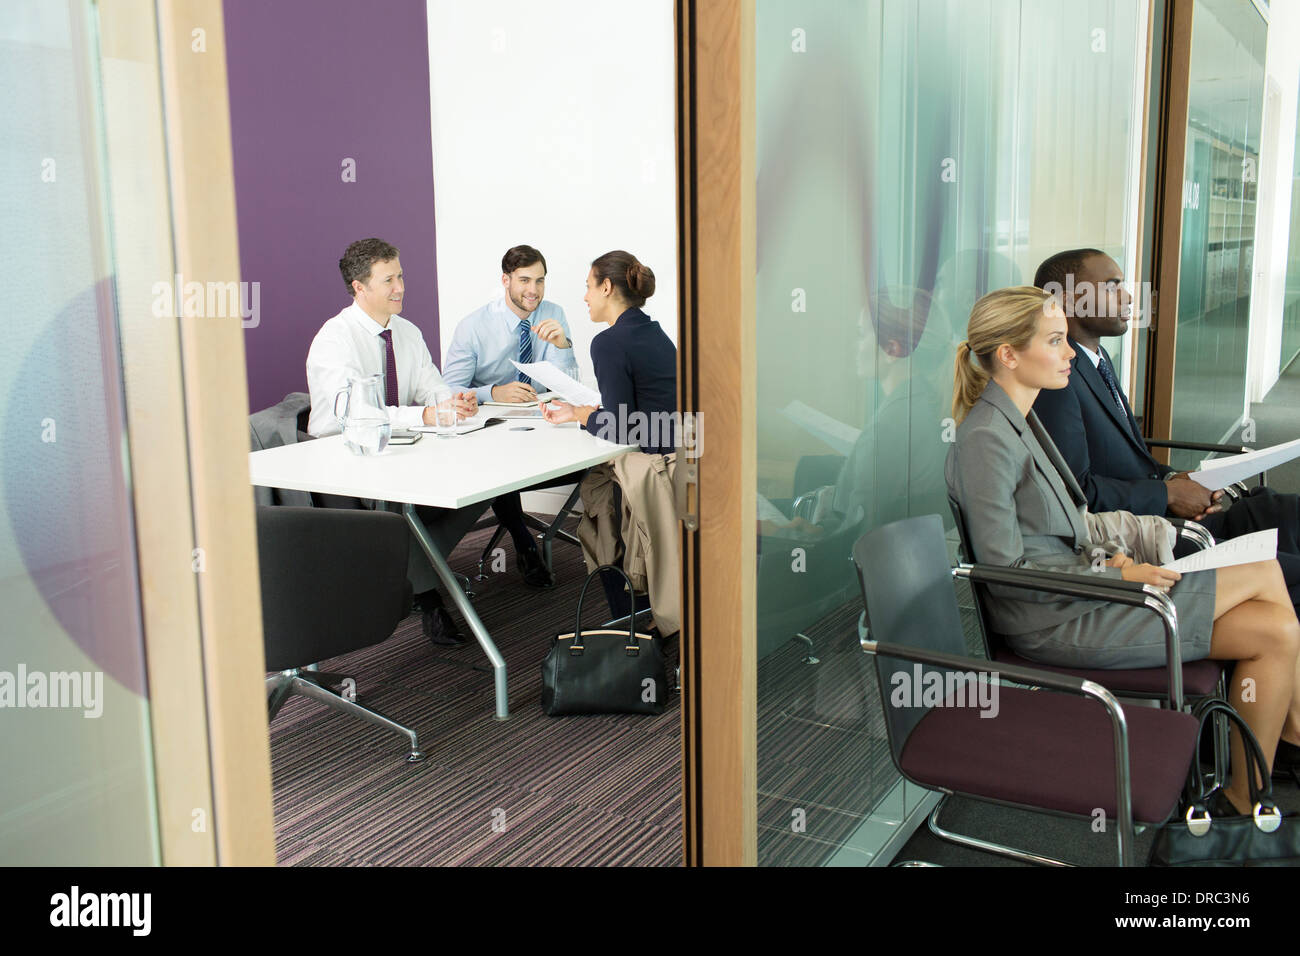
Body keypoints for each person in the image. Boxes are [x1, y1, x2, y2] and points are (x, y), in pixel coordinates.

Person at [947, 285, 1300, 815]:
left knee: (1276, 631)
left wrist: (1143, 541)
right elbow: (1004, 571)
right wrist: (1119, 575)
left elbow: (1072, 524)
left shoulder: (1023, 419)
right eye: (1057, 341)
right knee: (1265, 573)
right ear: (1009, 355)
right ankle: (1277, 762)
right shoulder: (985, 439)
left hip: (1082, 595)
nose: (1070, 353)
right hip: (1055, 620)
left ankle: (1247, 791)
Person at [1031, 248, 1300, 611]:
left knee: (1284, 512)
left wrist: (1177, 479)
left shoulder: (1097, 360)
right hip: (1137, 538)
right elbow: (1078, 494)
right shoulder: (1058, 380)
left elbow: (1127, 456)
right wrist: (1167, 494)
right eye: (1113, 287)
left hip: (1161, 510)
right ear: (1068, 300)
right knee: (1286, 563)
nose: (1129, 297)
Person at [305, 237, 479, 645]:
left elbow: (429, 388)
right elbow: (357, 417)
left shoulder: (406, 332)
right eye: (389, 280)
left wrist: (453, 402)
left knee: (477, 483)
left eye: (400, 276)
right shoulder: (336, 339)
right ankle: (430, 596)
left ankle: (419, 575)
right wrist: (426, 414)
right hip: (346, 464)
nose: (400, 287)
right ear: (359, 287)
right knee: (409, 510)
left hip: (402, 452)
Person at [542, 251, 679, 633]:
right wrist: (578, 413)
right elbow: (641, 410)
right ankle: (637, 614)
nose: (585, 297)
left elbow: (621, 428)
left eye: (588, 287)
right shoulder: (654, 332)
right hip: (680, 458)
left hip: (651, 467)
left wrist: (585, 416)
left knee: (597, 493)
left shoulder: (608, 342)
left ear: (606, 287)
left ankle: (627, 621)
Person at [440, 244, 582, 589]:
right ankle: (523, 542)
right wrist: (494, 392)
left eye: (540, 281)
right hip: (490, 428)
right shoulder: (473, 326)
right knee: (499, 463)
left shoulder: (553, 313)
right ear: (505, 280)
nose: (533, 290)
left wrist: (563, 346)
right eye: (524, 280)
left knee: (589, 458)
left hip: (541, 423)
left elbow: (568, 386)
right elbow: (448, 389)